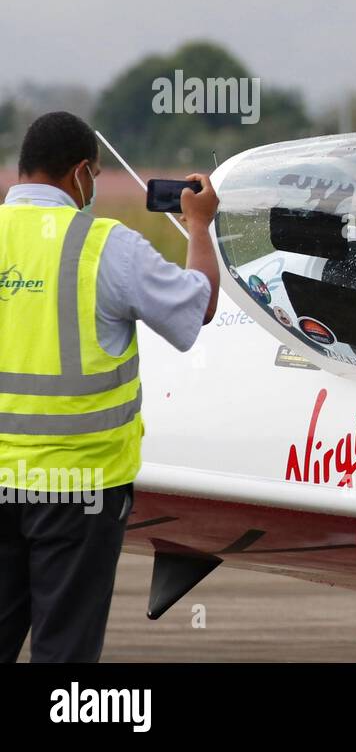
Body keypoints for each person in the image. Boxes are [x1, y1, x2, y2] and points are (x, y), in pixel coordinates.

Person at [0, 111, 220, 662]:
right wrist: (199, 227)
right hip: (81, 489)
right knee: (64, 652)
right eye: (94, 176)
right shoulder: (105, 246)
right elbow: (198, 304)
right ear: (79, 173)